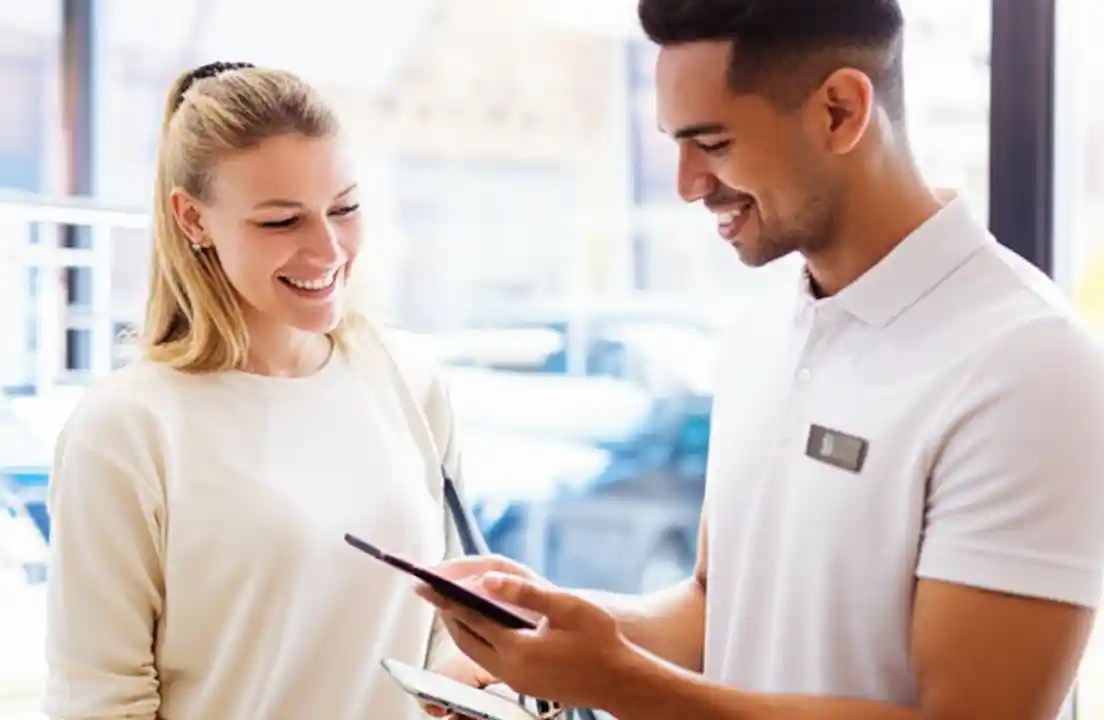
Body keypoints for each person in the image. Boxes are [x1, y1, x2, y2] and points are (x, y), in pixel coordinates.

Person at [423, 1, 1104, 718]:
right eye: (675, 145)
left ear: (840, 110)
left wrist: (615, 680)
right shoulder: (761, 330)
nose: (687, 183)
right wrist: (542, 628)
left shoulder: (1030, 366)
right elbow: (716, 609)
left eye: (711, 143)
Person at [43, 62, 466, 719]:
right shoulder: (125, 430)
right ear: (193, 219)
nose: (327, 248)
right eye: (280, 222)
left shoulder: (407, 378)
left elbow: (450, 623)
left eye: (345, 208)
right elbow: (99, 700)